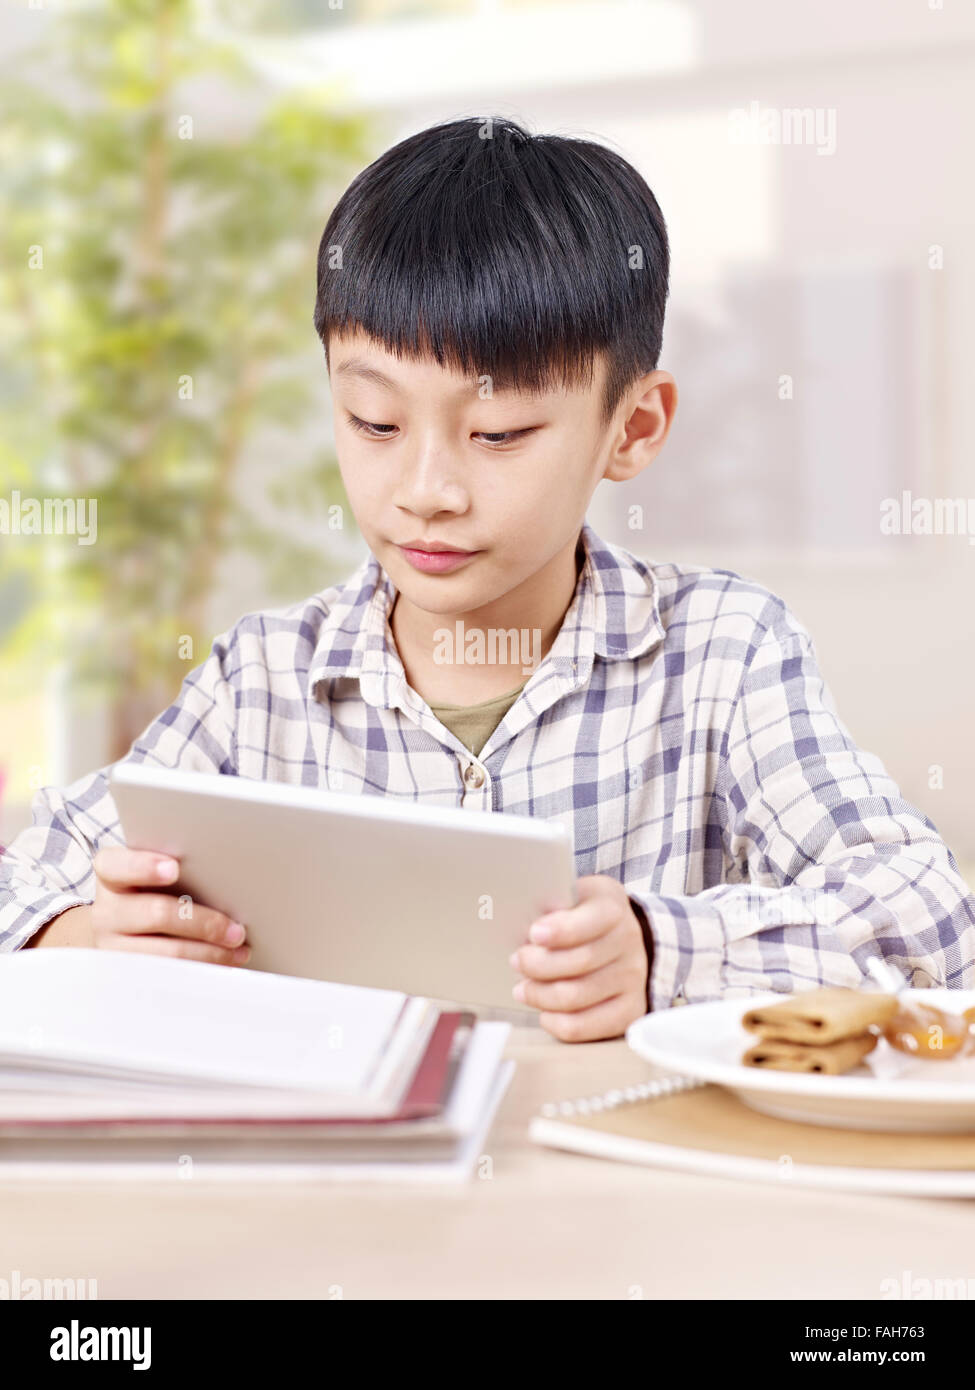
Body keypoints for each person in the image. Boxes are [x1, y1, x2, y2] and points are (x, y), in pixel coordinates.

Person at [2, 117, 972, 1042]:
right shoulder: (262, 681)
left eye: (498, 434)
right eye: (375, 424)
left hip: (616, 1160)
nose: (425, 492)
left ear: (632, 428)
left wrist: (663, 952)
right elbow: (26, 876)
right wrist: (87, 937)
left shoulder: (722, 652)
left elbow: (931, 918)